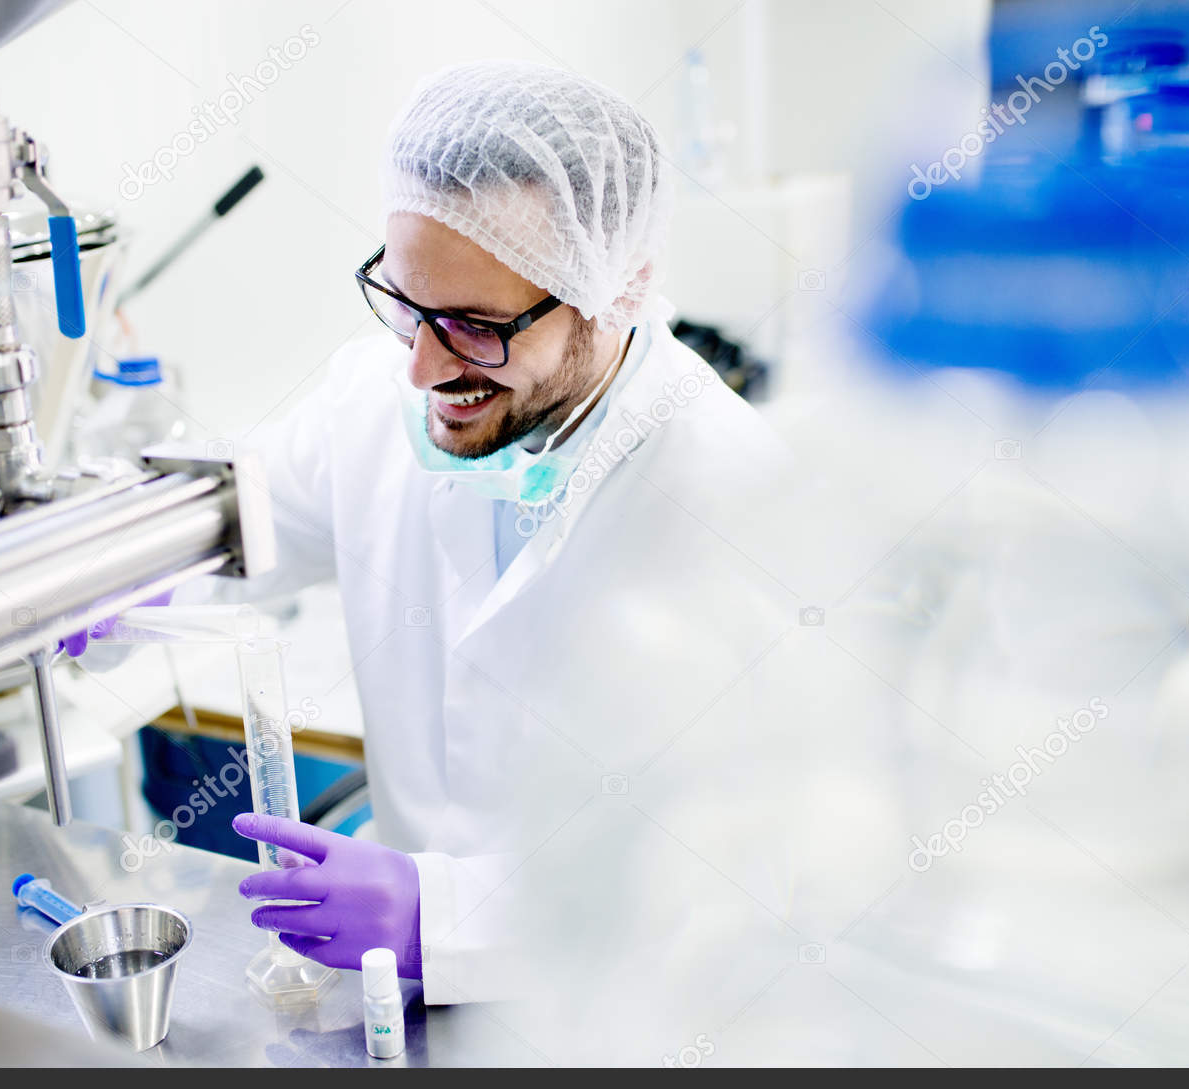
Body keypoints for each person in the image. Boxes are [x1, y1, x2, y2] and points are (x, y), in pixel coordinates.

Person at [219, 60, 798, 1005]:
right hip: (408, 1019)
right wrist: (90, 575)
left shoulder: (731, 494)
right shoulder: (370, 405)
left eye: (474, 327)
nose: (419, 368)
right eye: (405, 303)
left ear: (613, 290)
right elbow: (234, 531)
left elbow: (747, 871)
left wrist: (437, 917)